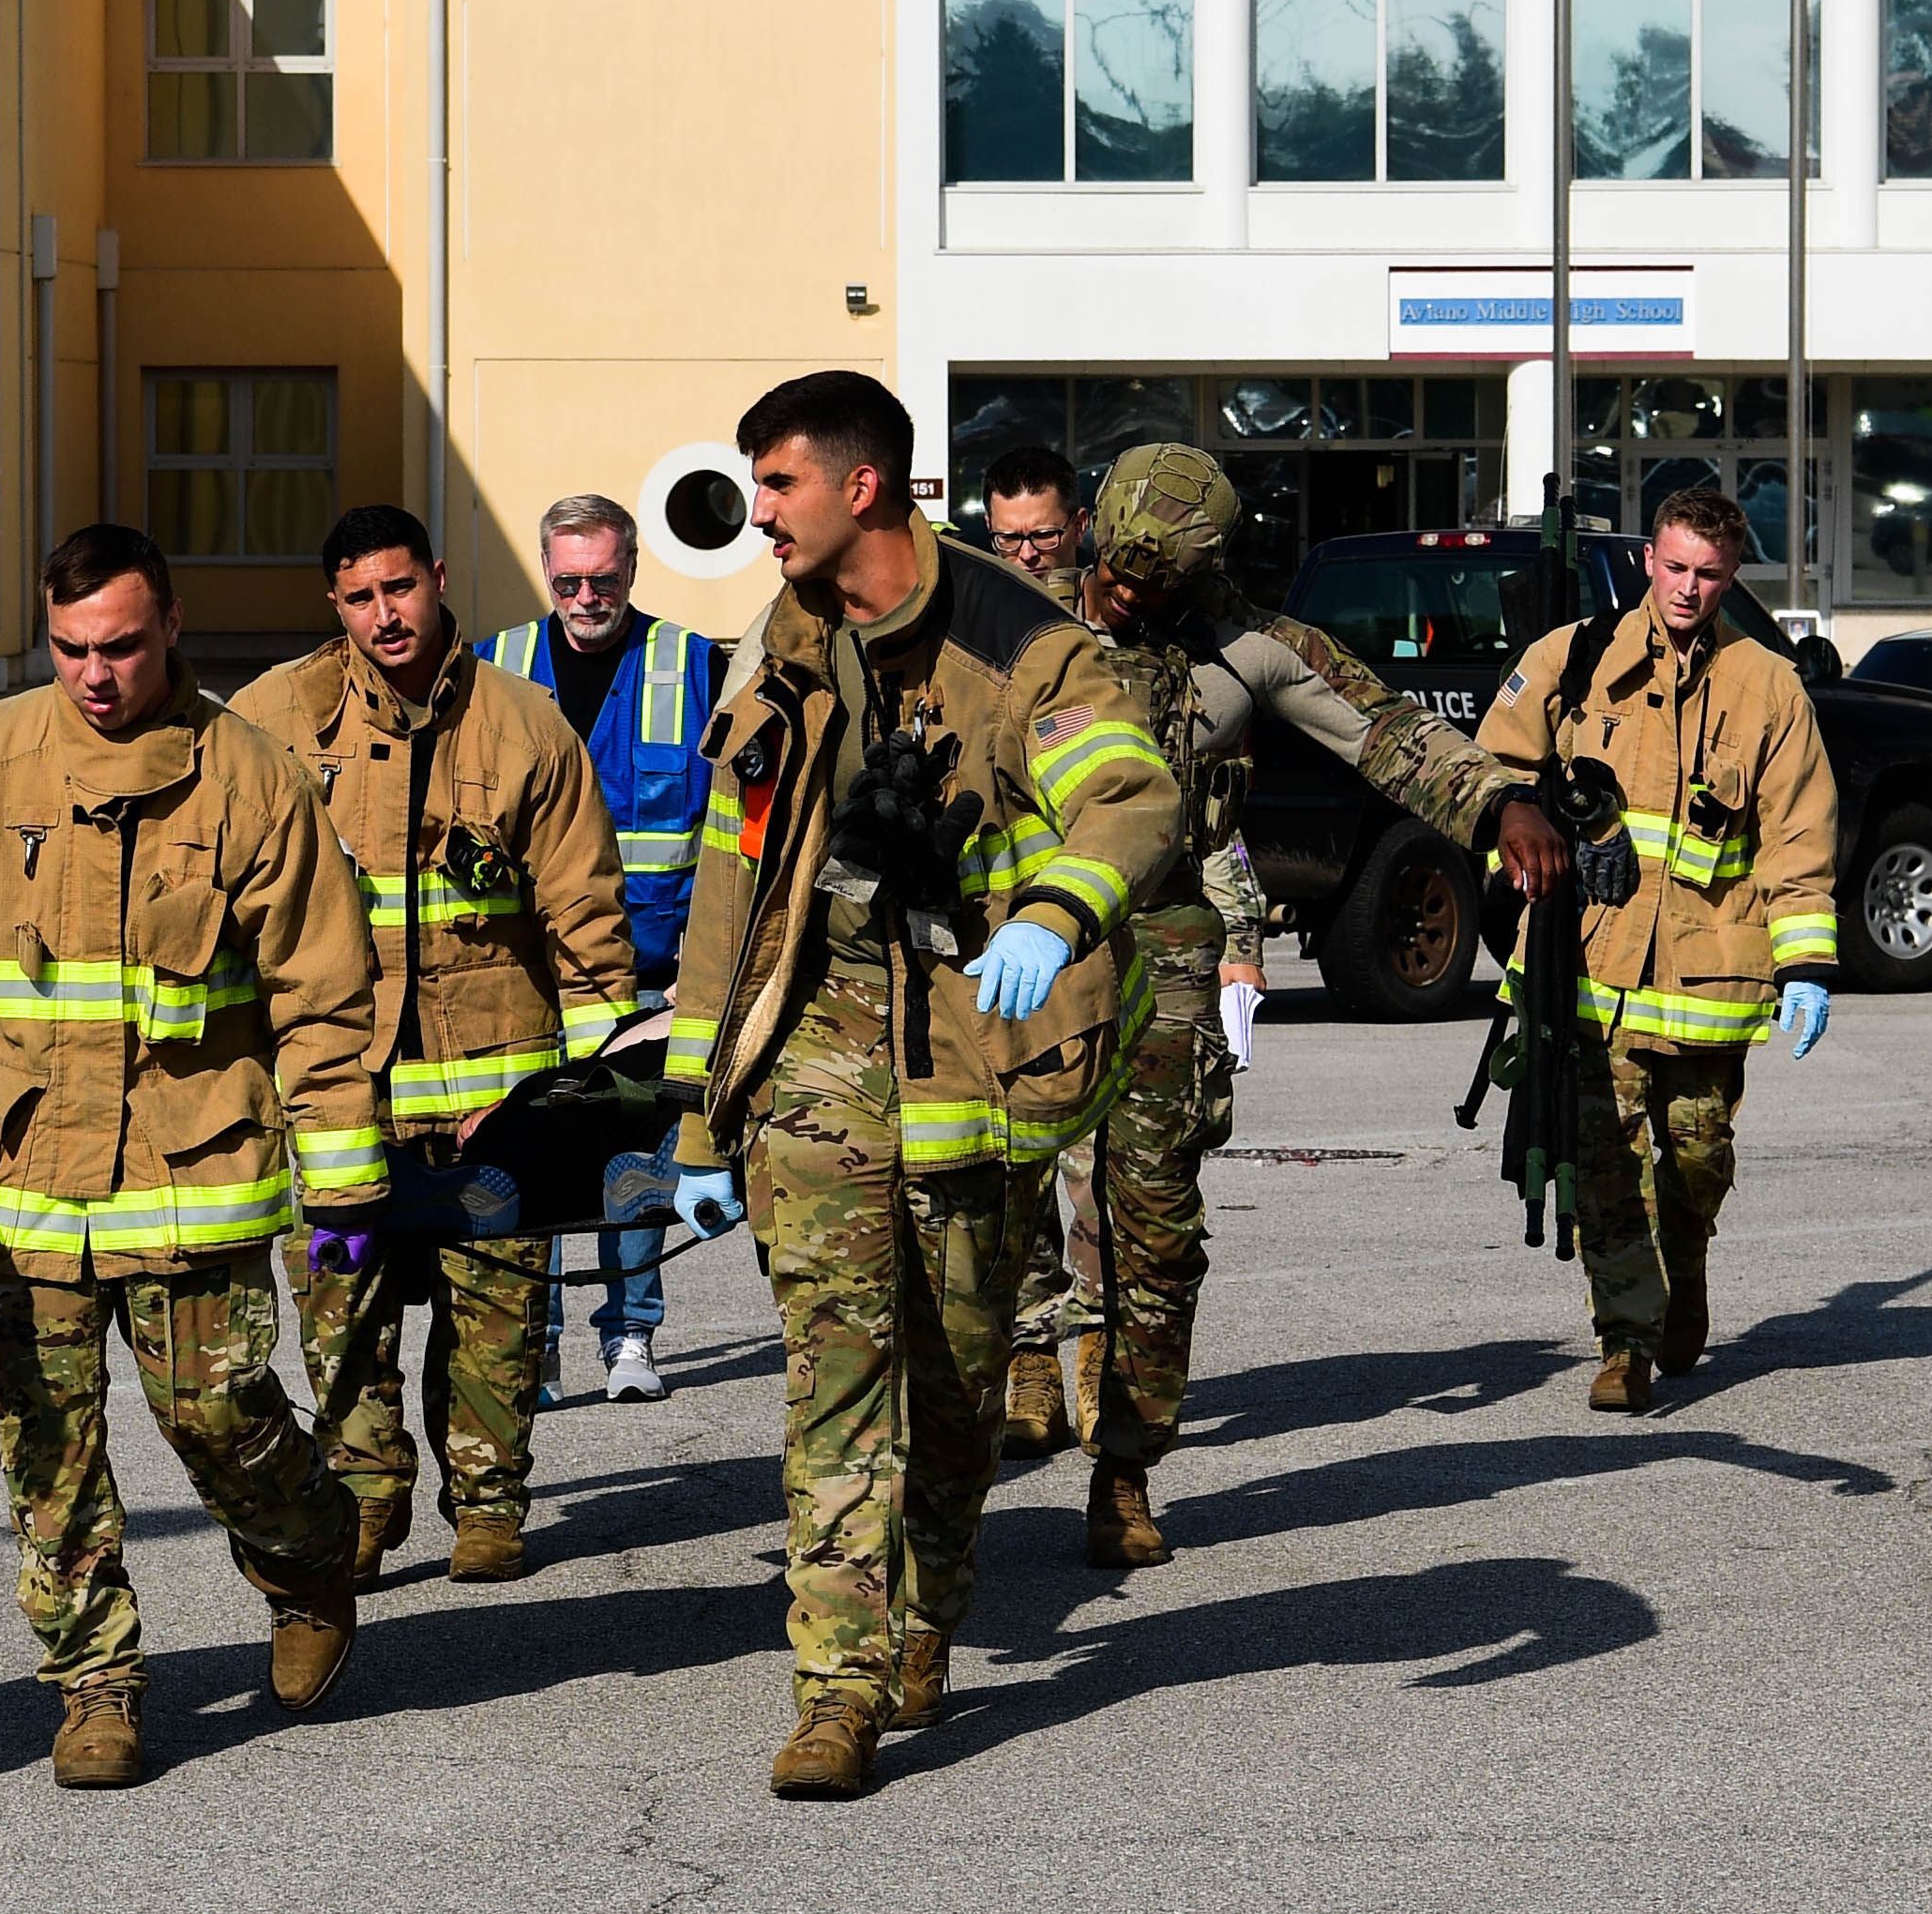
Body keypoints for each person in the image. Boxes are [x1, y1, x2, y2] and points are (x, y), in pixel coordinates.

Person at [663, 372, 1179, 1797]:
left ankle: (928, 1615)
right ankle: (833, 1686)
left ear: (862, 487)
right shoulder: (783, 638)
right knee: (837, 1373)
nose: (754, 513)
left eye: (777, 486)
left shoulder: (1028, 646)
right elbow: (733, 871)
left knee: (955, 1392)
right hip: (818, 1047)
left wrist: (1050, 913)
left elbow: (1134, 798)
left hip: (974, 1054)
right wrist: (703, 1107)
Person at [0, 525, 382, 1788]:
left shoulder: (254, 780)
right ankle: (95, 1683)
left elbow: (326, 997)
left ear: (171, 626)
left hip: (191, 1171)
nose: (95, 674)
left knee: (220, 1417)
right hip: (19, 1178)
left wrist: (343, 1178)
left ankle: (306, 1556)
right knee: (46, 1445)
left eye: (120, 645)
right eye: (69, 648)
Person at [1029, 444, 1566, 1559]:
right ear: (1087, 530)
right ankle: (961, 1459)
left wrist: (1498, 804)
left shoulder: (1251, 646)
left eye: (1153, 582)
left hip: (1160, 959)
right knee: (974, 1214)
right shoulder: (1013, 623)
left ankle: (1123, 1468)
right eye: (1113, 572)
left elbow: (1389, 734)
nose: (1122, 595)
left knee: (1155, 1226)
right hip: (1017, 955)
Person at [235, 506, 640, 1586]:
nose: (385, 614)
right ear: (334, 603)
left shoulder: (522, 724)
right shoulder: (271, 718)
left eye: (400, 587)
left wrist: (587, 1094)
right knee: (342, 1304)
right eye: (360, 596)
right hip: (337, 1095)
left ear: (438, 578)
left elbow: (585, 912)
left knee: (495, 1312)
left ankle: (489, 1501)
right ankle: (365, 1496)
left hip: (492, 1090)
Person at [1477, 484, 1837, 1412]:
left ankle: (1685, 1272)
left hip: (1710, 973)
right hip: (1589, 963)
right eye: (1673, 566)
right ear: (1647, 559)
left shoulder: (1767, 684)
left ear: (1729, 575)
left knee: (1693, 1160)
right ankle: (1625, 1337)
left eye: (1707, 573)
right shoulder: (1574, 658)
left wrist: (1803, 963)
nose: (1686, 587)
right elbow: (1490, 775)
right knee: (1603, 1159)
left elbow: (1798, 831)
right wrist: (1531, 838)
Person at [480, 492, 720, 1407]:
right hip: (523, 982)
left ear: (631, 570)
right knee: (532, 1168)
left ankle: (629, 1336)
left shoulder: (692, 665)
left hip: (647, 980)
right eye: (569, 579)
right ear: (548, 573)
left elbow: (722, 830)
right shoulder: (491, 666)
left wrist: (700, 976)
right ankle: (532, 1342)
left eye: (604, 578)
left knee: (634, 1165)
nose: (587, 596)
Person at [976, 443, 1086, 577]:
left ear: (1078, 528)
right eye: (1010, 538)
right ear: (990, 528)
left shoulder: (1110, 596)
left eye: (1043, 535)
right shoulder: (970, 596)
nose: (1027, 555)